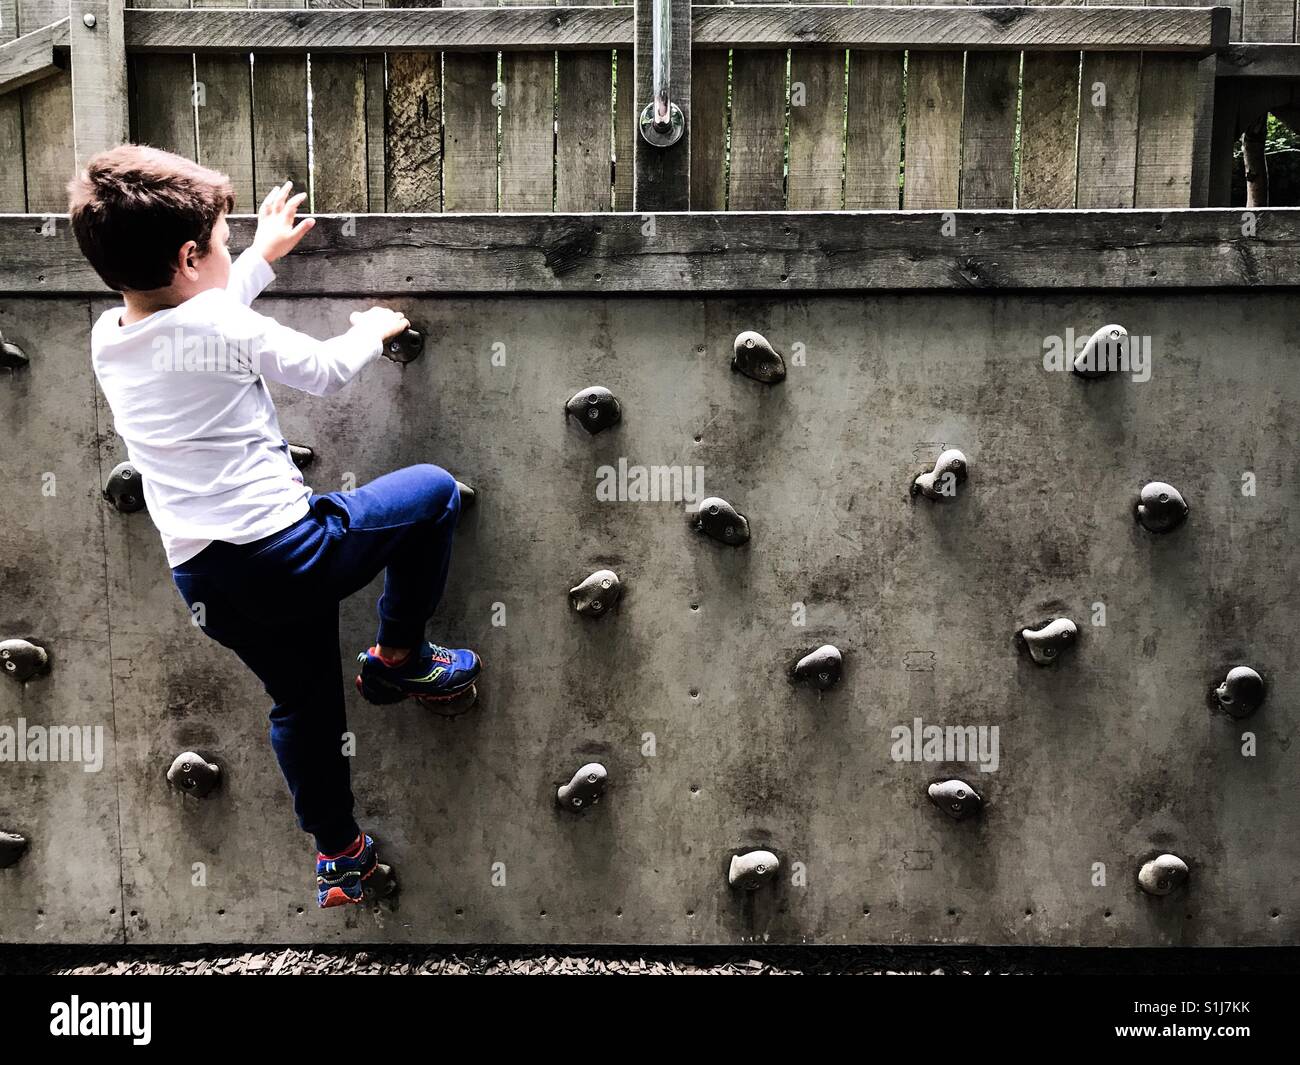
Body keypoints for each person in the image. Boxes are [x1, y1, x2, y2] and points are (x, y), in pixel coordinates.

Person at [68, 144, 481, 908]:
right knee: (428, 494)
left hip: (207, 580)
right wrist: (372, 328)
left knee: (303, 704)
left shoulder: (109, 339)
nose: (231, 253)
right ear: (190, 256)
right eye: (222, 243)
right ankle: (399, 653)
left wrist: (256, 257)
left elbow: (196, 321)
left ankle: (341, 854)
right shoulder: (219, 319)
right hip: (288, 551)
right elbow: (317, 369)